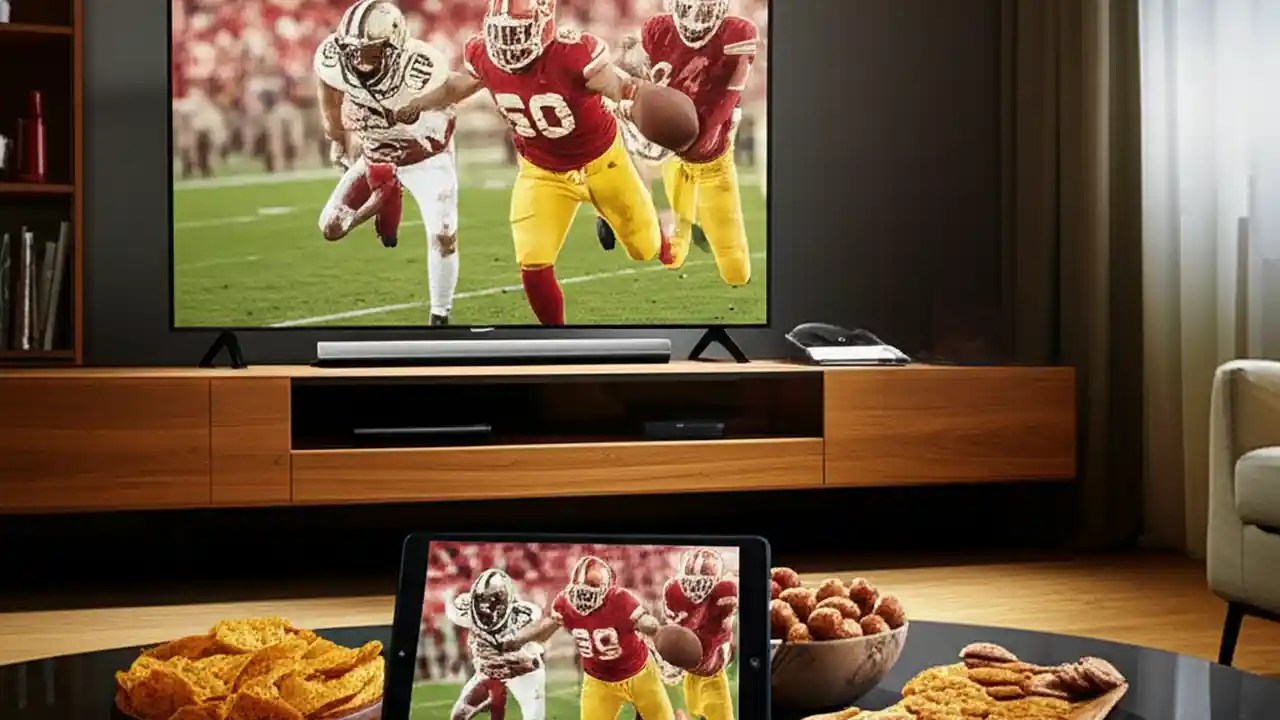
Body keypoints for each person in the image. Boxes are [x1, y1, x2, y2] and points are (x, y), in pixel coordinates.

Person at [398, 0, 689, 325]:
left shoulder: (572, 52)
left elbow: (618, 87)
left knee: (643, 249)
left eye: (518, 33)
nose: (510, 45)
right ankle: (556, 338)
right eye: (503, 35)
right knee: (533, 259)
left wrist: (645, 102)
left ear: (544, 25)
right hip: (542, 171)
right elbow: (456, 86)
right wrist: (419, 103)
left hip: (602, 161)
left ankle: (649, 235)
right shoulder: (482, 54)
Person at [313, 0, 461, 325]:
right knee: (330, 226)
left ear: (394, 45)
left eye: (370, 51)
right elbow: (326, 82)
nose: (360, 60)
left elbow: (454, 89)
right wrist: (336, 135)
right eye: (354, 51)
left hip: (426, 159)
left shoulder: (421, 65)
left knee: (444, 233)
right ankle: (388, 191)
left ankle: (440, 313)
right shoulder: (334, 59)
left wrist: (425, 107)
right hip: (375, 156)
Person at [502, 556, 675, 720]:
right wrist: (518, 640)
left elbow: (647, 624)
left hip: (639, 673)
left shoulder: (620, 599)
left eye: (590, 592)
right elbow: (544, 632)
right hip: (598, 680)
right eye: (580, 591)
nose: (584, 598)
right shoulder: (565, 602)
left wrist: (653, 627)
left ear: (606, 590)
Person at [446, 568, 547, 720]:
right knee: (458, 716)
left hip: (522, 672)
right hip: (488, 671)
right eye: (482, 600)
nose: (487, 608)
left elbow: (540, 628)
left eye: (493, 601)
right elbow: (451, 605)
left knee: (534, 717)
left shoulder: (523, 617)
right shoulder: (464, 612)